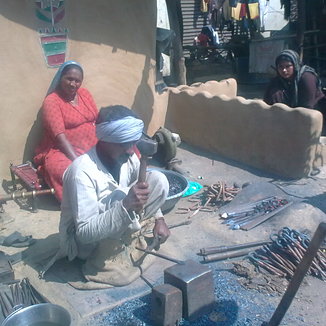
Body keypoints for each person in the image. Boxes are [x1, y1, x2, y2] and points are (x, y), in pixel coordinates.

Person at [58, 105, 170, 287]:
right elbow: (85, 233)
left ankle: (124, 239)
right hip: (86, 245)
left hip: (116, 221)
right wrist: (125, 206)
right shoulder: (81, 172)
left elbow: (141, 191)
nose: (131, 150)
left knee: (158, 180)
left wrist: (159, 219)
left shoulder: (128, 157)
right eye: (124, 143)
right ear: (105, 139)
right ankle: (108, 255)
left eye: (133, 142)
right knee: (121, 195)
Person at [34, 61, 98, 201]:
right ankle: (84, 202)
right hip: (62, 149)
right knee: (71, 173)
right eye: (69, 79)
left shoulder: (84, 94)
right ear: (60, 78)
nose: (73, 84)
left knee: (124, 148)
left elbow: (97, 119)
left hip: (91, 145)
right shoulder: (52, 101)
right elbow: (59, 138)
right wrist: (78, 162)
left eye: (77, 81)